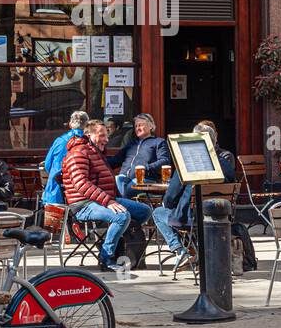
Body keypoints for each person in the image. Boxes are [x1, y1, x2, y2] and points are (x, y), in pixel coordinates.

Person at [63, 120, 153, 272]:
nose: (106, 139)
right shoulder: (78, 153)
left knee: (144, 211)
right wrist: (109, 201)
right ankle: (106, 257)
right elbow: (82, 184)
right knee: (122, 216)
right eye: (101, 135)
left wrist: (112, 200)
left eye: (107, 135)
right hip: (83, 204)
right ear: (88, 135)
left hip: (102, 199)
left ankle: (117, 242)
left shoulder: (95, 151)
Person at [151, 121, 236, 269]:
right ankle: (192, 251)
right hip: (220, 217)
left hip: (192, 218)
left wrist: (171, 204)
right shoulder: (225, 163)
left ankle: (180, 250)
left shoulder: (186, 164)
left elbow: (170, 199)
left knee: (158, 212)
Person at [110, 113, 172, 197]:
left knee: (128, 188)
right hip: (125, 178)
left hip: (146, 179)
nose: (137, 128)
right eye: (136, 126)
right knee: (117, 180)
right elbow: (115, 160)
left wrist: (146, 168)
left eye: (140, 125)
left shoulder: (158, 142)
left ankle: (122, 205)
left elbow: (165, 161)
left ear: (151, 126)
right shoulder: (131, 144)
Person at [41, 110, 89, 206]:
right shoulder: (89, 141)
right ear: (87, 124)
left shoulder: (60, 141)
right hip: (81, 193)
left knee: (55, 220)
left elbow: (47, 165)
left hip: (56, 192)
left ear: (70, 124)